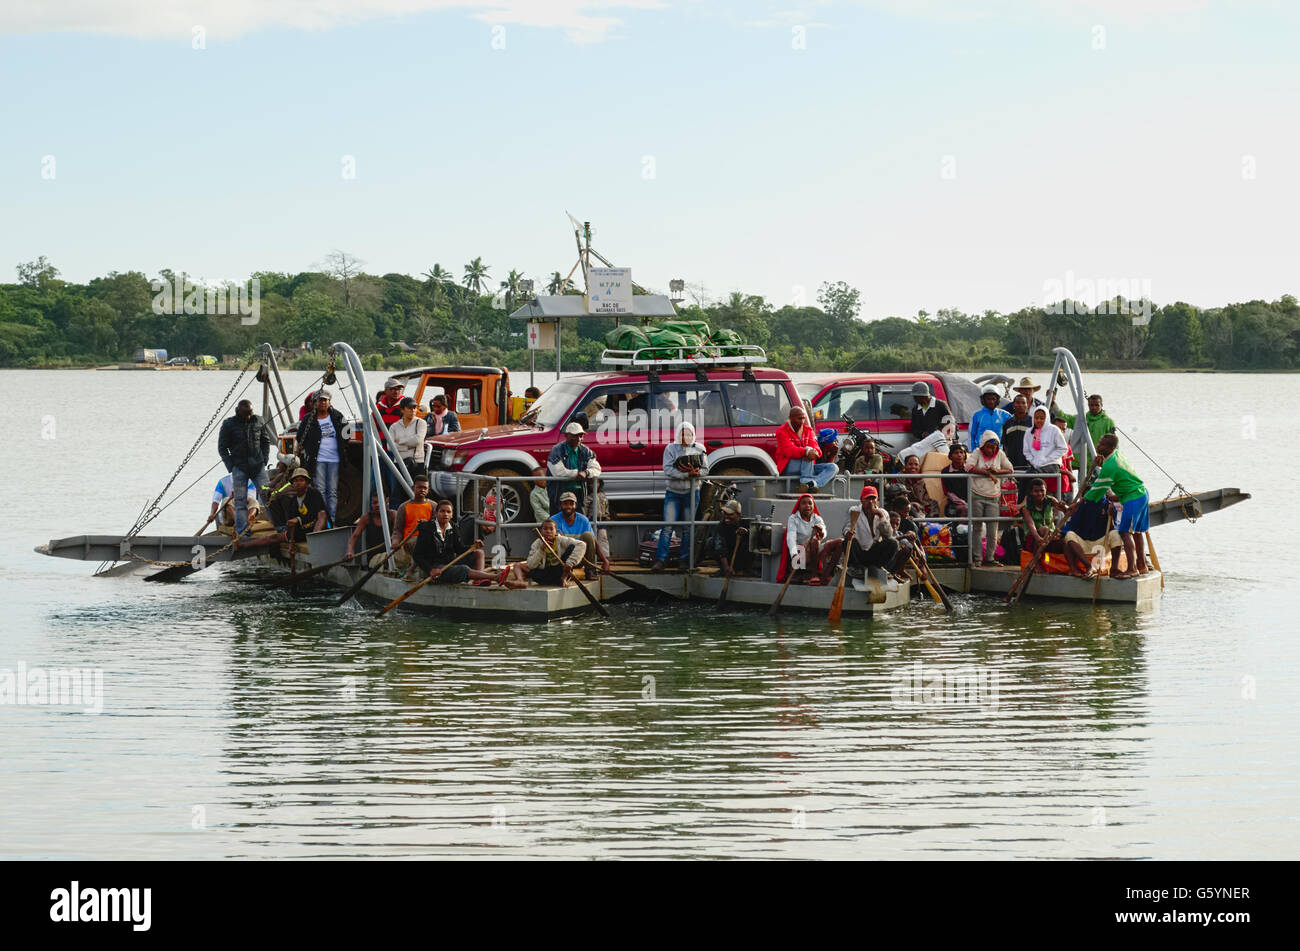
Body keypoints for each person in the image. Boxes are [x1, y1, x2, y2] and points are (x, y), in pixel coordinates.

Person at [1082, 433, 1149, 578]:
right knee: (1137, 532)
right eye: (1099, 443)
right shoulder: (1116, 455)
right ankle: (1142, 565)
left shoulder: (1110, 465)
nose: (1098, 446)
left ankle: (1132, 569)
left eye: (1102, 445)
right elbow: (1123, 480)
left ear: (1111, 447)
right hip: (1140, 494)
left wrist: (1079, 503)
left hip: (1133, 497)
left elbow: (1097, 490)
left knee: (1125, 532)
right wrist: (1114, 498)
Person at [652, 422, 708, 571]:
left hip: (692, 493)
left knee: (687, 528)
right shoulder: (670, 449)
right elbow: (668, 469)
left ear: (693, 435)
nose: (686, 437)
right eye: (683, 434)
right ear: (678, 434)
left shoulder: (700, 449)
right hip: (673, 493)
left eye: (689, 434)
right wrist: (686, 475)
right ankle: (660, 560)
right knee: (667, 526)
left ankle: (684, 561)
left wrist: (698, 474)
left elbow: (705, 470)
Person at [217, 398, 272, 537]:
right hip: (239, 467)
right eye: (246, 414)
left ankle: (277, 525)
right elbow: (222, 448)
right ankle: (243, 531)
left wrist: (264, 460)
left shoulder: (258, 420)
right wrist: (231, 466)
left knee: (268, 496)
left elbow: (265, 441)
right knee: (240, 500)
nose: (249, 416)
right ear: (238, 411)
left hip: (258, 466)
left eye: (250, 413)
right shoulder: (229, 424)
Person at [413, 498, 493, 584]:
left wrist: (473, 547)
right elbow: (417, 555)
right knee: (463, 569)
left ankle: (478, 580)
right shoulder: (427, 529)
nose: (445, 514)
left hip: (449, 563)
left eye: (448, 512)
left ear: (452, 515)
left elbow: (459, 548)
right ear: (436, 513)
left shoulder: (453, 527)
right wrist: (430, 570)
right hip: (435, 568)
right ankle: (495, 577)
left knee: (479, 552)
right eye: (442, 511)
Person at [296, 389, 346, 525]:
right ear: (314, 403)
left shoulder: (337, 416)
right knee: (320, 491)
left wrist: (342, 446)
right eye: (320, 400)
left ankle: (331, 520)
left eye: (325, 400)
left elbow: (347, 433)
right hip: (318, 460)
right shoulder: (308, 418)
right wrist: (309, 448)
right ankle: (322, 520)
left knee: (333, 492)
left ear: (329, 402)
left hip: (334, 459)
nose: (322, 403)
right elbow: (300, 436)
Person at [967, 430, 1013, 566]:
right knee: (977, 528)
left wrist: (998, 471)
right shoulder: (976, 452)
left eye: (994, 447)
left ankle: (990, 558)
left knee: (993, 530)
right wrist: (987, 473)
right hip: (977, 495)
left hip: (993, 497)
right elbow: (968, 467)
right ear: (983, 446)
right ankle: (977, 559)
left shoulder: (1000, 454)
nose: (991, 450)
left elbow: (1010, 469)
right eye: (988, 447)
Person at [777, 493, 843, 585]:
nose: (807, 506)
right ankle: (814, 575)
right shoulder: (793, 519)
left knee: (840, 543)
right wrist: (794, 555)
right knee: (814, 541)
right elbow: (790, 538)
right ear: (799, 506)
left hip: (814, 547)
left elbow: (823, 532)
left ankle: (826, 575)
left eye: (810, 503)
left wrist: (820, 531)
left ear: (813, 505)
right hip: (800, 552)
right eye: (804, 503)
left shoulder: (817, 518)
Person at [503, 518, 586, 589]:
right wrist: (541, 550)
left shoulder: (562, 540)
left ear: (556, 532)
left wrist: (569, 563)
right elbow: (531, 565)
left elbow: (582, 544)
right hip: (544, 576)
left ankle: (563, 579)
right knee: (517, 565)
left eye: (551, 529)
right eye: (545, 529)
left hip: (561, 573)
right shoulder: (537, 544)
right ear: (541, 531)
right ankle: (520, 581)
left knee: (572, 547)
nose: (548, 531)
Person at [774, 404, 836, 493]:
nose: (802, 421)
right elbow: (789, 450)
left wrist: (813, 452)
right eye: (799, 418)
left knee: (833, 467)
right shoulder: (782, 431)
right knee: (808, 449)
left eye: (803, 418)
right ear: (790, 418)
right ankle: (805, 481)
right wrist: (806, 452)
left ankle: (811, 484)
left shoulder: (808, 430)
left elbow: (817, 449)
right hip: (788, 467)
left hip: (807, 467)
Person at [379, 474, 435, 571]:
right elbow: (398, 530)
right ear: (413, 488)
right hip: (409, 543)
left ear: (428, 489)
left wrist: (427, 524)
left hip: (429, 542)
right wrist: (396, 542)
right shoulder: (404, 507)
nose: (422, 490)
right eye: (419, 487)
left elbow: (438, 526)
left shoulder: (433, 506)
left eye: (425, 488)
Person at [844, 485, 899, 581]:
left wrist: (880, 516)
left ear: (877, 500)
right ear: (861, 500)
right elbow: (847, 528)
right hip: (860, 550)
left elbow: (888, 534)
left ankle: (877, 566)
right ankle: (857, 567)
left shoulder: (883, 513)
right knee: (847, 541)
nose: (870, 502)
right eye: (867, 499)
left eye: (873, 499)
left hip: (873, 550)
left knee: (893, 543)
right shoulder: (855, 511)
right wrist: (848, 533)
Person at [546, 421, 601, 514]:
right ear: (566, 435)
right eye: (575, 435)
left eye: (581, 436)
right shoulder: (556, 450)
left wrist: (586, 473)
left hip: (579, 492)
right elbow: (558, 472)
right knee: (558, 518)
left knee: (580, 516)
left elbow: (597, 469)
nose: (579, 439)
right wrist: (577, 473)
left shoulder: (585, 451)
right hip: (559, 492)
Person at [551, 491, 610, 574]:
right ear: (561, 505)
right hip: (563, 559)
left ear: (575, 505)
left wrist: (605, 560)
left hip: (581, 558)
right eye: (565, 504)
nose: (568, 506)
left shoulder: (583, 520)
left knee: (588, 535)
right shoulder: (554, 520)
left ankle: (590, 570)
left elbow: (593, 541)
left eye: (571, 504)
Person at [268, 468, 328, 542]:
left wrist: (299, 519)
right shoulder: (293, 501)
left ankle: (314, 540)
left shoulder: (313, 493)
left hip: (316, 528)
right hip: (303, 531)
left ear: (307, 483)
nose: (298, 483)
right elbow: (292, 523)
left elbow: (316, 514)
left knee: (322, 513)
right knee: (273, 538)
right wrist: (291, 543)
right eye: (295, 481)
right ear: (293, 484)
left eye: (301, 480)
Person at [1023, 406, 1069, 496]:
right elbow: (1026, 451)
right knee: (1025, 479)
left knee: (1034, 477)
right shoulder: (1029, 432)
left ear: (1047, 418)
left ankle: (1027, 502)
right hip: (1035, 465)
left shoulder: (1054, 430)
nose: (1039, 420)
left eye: (1042, 418)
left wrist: (1047, 458)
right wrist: (1033, 461)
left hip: (1052, 464)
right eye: (1036, 418)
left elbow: (1063, 448)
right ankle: (1021, 505)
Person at [1021, 477, 1069, 559]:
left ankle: (1071, 567)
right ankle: (1037, 565)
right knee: (1043, 529)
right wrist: (1038, 538)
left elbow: (1067, 511)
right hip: (1034, 538)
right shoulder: (1026, 508)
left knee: (1067, 541)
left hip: (1051, 535)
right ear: (1031, 493)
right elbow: (1031, 525)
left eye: (1042, 491)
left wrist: (1064, 507)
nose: (1039, 493)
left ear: (1046, 491)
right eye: (1036, 491)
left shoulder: (1051, 500)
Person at [345, 493, 398, 562]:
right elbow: (354, 536)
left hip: (391, 555)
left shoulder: (393, 515)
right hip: (374, 559)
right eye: (374, 503)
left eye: (380, 502)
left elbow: (396, 533)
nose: (377, 505)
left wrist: (394, 542)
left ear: (386, 503)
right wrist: (349, 551)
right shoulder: (366, 518)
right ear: (371, 504)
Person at [1000, 394, 1033, 501]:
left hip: (1028, 465)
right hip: (1013, 465)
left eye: (1023, 403)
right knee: (1013, 493)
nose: (1020, 405)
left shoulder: (1032, 423)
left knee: (1028, 491)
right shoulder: (1008, 423)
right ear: (1013, 405)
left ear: (1027, 405)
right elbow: (1005, 444)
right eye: (1018, 403)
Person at [709, 499, 753, 577]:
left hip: (741, 557)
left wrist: (747, 532)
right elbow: (720, 548)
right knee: (710, 542)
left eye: (730, 514)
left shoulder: (746, 523)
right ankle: (724, 569)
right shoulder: (721, 526)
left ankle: (745, 569)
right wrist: (726, 568)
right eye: (725, 513)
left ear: (738, 514)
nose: (726, 516)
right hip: (728, 557)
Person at [389, 396, 428, 484]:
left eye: (414, 408)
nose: (413, 410)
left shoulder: (421, 423)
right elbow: (390, 446)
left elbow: (418, 440)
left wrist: (400, 441)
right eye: (409, 408)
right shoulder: (394, 426)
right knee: (398, 493)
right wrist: (407, 447)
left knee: (416, 491)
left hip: (417, 463)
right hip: (399, 462)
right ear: (402, 410)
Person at [969, 384, 1011, 450]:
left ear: (997, 400)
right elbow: (971, 435)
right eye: (988, 399)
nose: (991, 401)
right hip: (981, 450)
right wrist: (973, 451)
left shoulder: (1005, 415)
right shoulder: (976, 415)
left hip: (999, 451)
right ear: (983, 400)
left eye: (993, 399)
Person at [940, 443, 970, 517]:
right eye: (956, 453)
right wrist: (964, 503)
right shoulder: (945, 471)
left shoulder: (971, 469)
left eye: (961, 452)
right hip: (953, 505)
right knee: (965, 509)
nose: (959, 455)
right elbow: (948, 492)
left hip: (973, 502)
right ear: (951, 456)